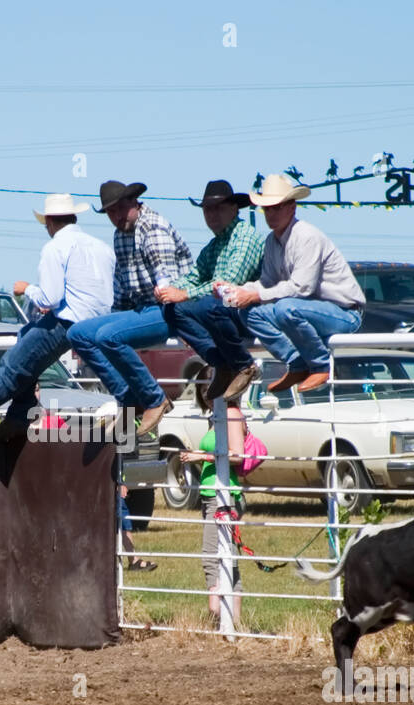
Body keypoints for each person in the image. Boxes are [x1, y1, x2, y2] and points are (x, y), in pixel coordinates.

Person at [0, 193, 114, 441]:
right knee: (26, 338)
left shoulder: (55, 247)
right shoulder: (102, 248)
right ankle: (19, 414)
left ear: (49, 222)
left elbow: (49, 298)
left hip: (68, 322)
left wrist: (26, 288)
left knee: (13, 366)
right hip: (97, 324)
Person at [68, 180, 195, 436]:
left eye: (120, 209)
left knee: (107, 336)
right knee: (77, 334)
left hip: (171, 310)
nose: (116, 217)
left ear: (134, 202)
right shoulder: (121, 235)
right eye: (111, 212)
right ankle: (129, 398)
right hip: (142, 311)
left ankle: (154, 399)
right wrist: (116, 319)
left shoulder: (153, 227)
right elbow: (122, 287)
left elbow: (166, 283)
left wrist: (185, 328)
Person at [221, 173, 365, 394]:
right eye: (267, 208)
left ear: (292, 207)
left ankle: (320, 366)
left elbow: (301, 287)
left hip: (344, 313)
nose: (271, 213)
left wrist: (254, 295)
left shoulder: (306, 236)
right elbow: (267, 282)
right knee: (249, 313)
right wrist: (238, 290)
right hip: (310, 310)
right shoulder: (272, 241)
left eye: (276, 207)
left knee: (285, 307)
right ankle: (296, 363)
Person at [156, 180, 267, 402]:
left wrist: (184, 294)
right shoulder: (214, 245)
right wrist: (169, 291)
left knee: (210, 304)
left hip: (247, 309)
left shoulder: (246, 236)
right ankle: (221, 362)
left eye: (219, 207)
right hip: (226, 313)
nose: (212, 214)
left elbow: (229, 283)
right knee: (174, 310)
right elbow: (194, 276)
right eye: (208, 209)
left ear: (235, 208)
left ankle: (243, 365)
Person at [179, 376, 267, 627]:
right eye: (203, 389)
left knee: (212, 557)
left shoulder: (231, 413)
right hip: (211, 496)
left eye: (209, 388)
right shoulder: (216, 415)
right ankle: (233, 621)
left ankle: (218, 610)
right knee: (225, 557)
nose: (206, 394)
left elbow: (237, 456)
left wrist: (201, 456)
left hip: (224, 496)